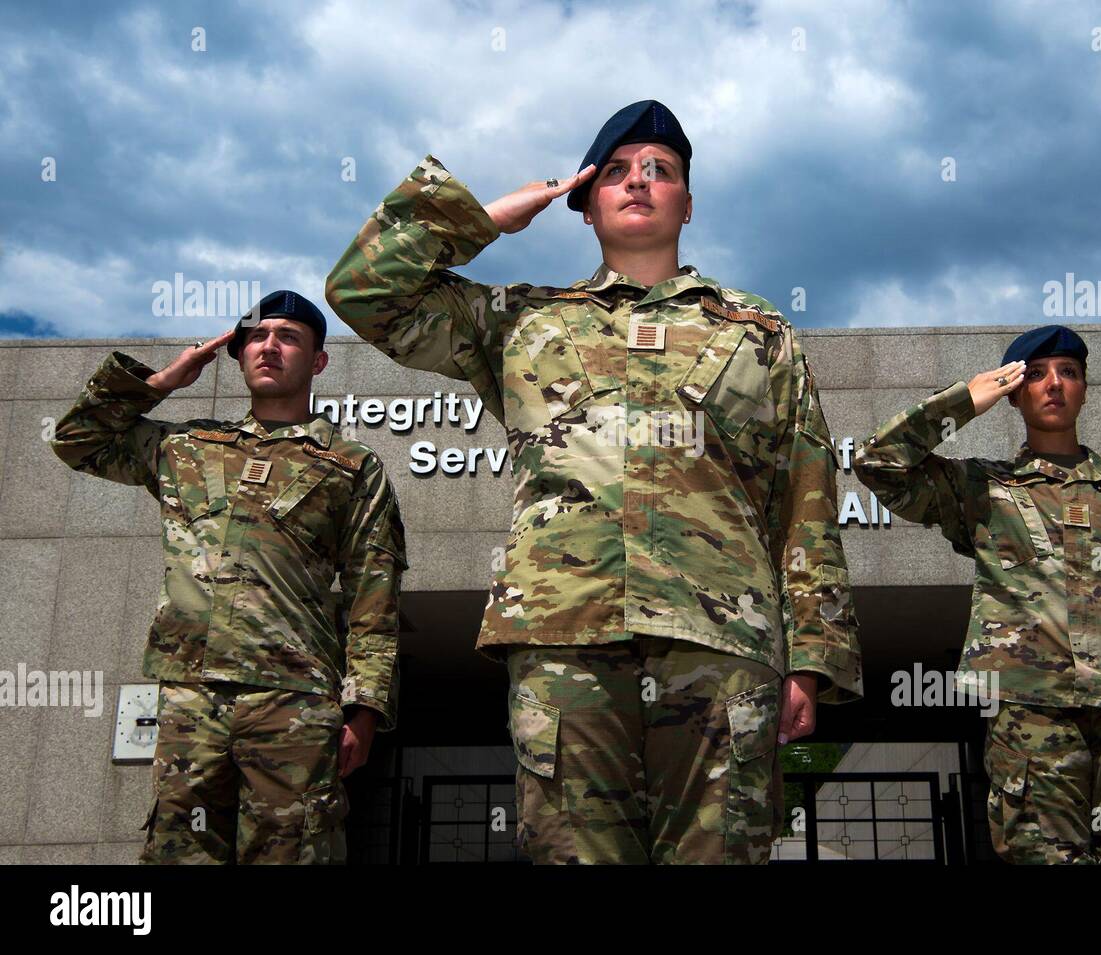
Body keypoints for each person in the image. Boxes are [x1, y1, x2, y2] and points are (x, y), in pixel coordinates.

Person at [326, 100, 861, 864]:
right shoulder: (524, 322)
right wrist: (478, 220)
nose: (639, 181)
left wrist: (812, 654)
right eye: (615, 171)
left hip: (719, 641)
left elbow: (807, 496)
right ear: (584, 203)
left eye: (661, 170)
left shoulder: (760, 332)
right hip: (563, 642)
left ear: (688, 202)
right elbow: (363, 291)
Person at [50, 290, 407, 864]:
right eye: (257, 337)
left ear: (318, 360)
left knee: (292, 852)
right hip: (190, 696)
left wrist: (364, 709)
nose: (270, 347)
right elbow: (75, 440)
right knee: (179, 851)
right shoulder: (186, 447)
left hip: (294, 700)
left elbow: (375, 592)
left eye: (289, 337)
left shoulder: (351, 465)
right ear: (238, 356)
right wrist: (163, 380)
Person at [852, 324, 1101, 864]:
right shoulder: (984, 489)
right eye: (1037, 374)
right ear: (1016, 392)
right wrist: (963, 402)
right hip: (1031, 716)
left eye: (1068, 373)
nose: (1054, 384)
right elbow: (878, 464)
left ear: (1085, 390)